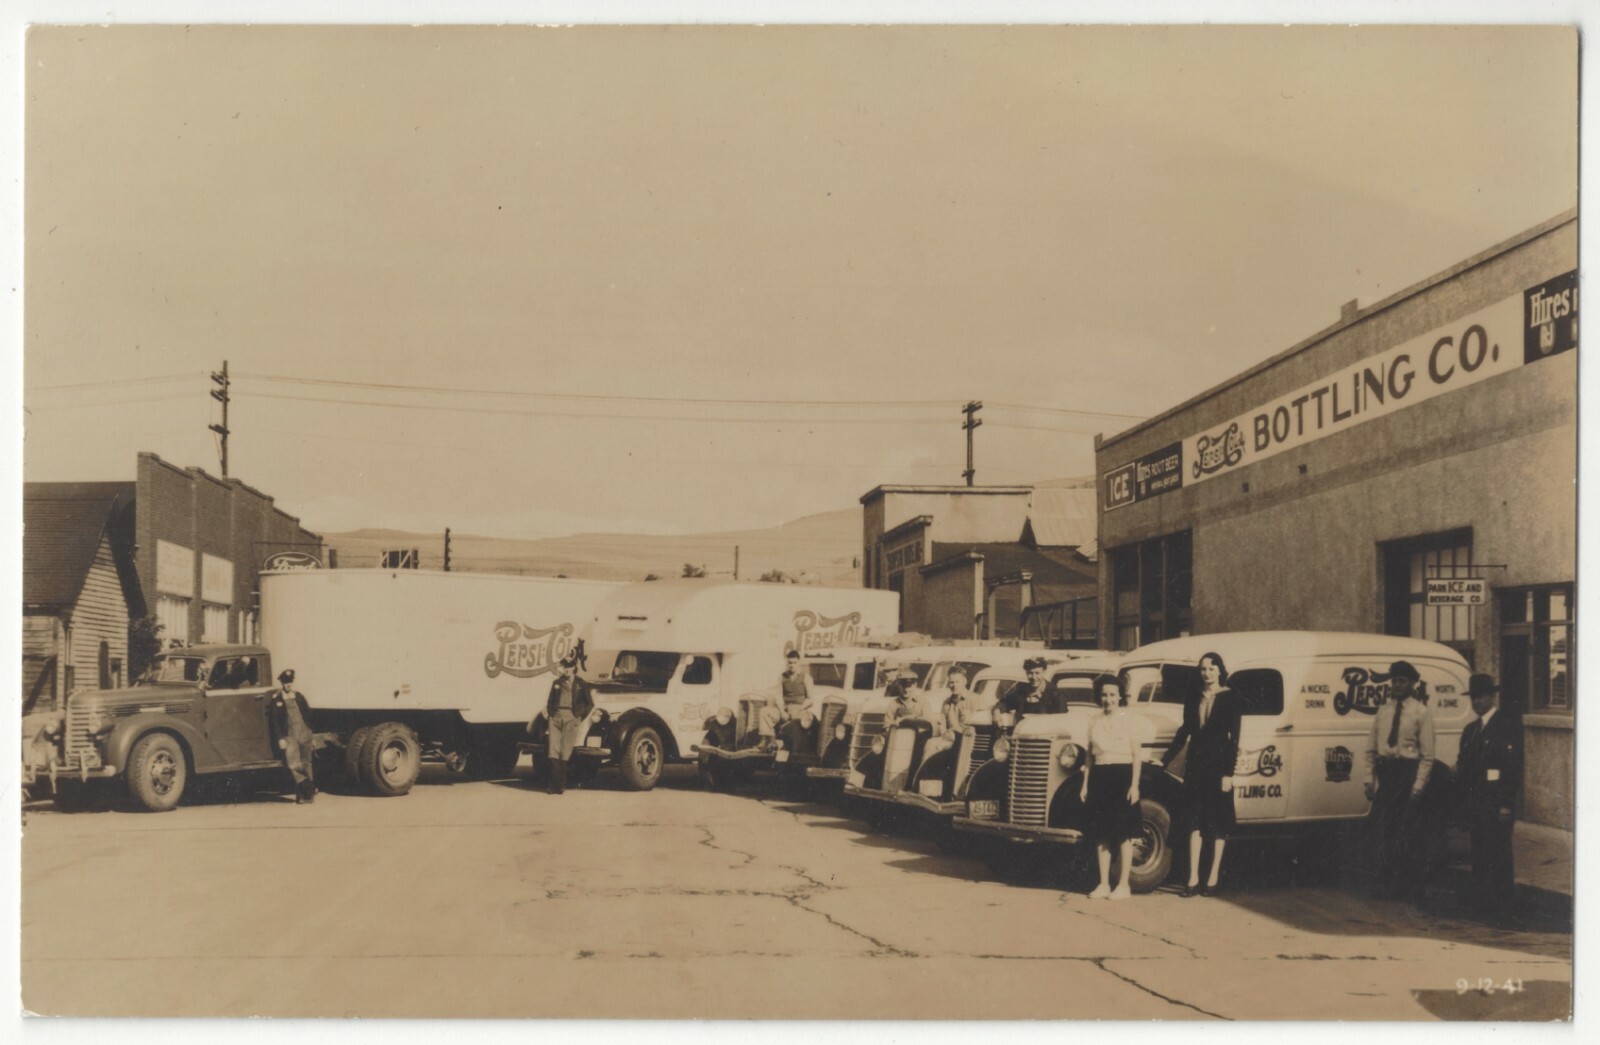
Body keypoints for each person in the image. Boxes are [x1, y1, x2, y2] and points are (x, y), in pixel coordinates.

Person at [1161, 652, 1242, 897]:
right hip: (1196, 765)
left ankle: (1213, 877)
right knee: (1193, 821)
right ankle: (1193, 878)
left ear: (1219, 670)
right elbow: (1185, 729)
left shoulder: (1230, 698)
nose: (1206, 673)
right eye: (1203, 669)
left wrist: (1229, 773)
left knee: (1217, 822)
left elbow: (1233, 739)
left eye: (1211, 668)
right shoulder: (1194, 696)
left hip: (1218, 767)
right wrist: (1165, 758)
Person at [1362, 660, 1437, 898]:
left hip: (1408, 775)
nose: (1396, 685)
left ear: (1413, 684)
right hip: (1387, 775)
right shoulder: (1383, 712)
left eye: (1402, 681)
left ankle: (1405, 885)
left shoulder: (1421, 713)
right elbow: (1371, 749)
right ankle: (1383, 882)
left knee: (1405, 833)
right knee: (1382, 829)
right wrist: (1368, 779)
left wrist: (1418, 787)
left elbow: (1428, 755)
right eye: (1394, 680)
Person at [1455, 672, 1523, 923]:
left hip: (1496, 803)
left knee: (1499, 855)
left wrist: (1506, 804)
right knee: (1480, 854)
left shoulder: (1507, 725)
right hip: (1476, 804)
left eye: (1481, 697)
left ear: (1493, 697)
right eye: (1473, 697)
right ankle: (1483, 905)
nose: (1477, 702)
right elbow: (1464, 767)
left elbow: (1512, 768)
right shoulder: (1471, 730)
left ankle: (1503, 907)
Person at [1081, 674, 1143, 900]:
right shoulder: (1094, 720)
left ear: (1120, 696)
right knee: (1101, 834)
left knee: (1123, 834)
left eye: (1112, 695)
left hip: (1122, 776)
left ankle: (1124, 885)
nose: (1108, 699)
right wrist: (1085, 784)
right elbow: (1089, 756)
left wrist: (1134, 786)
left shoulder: (1129, 719)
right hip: (1100, 776)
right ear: (1099, 696)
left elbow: (1137, 755)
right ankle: (1104, 884)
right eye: (1104, 695)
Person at [535, 652, 593, 795]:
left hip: (571, 718)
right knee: (553, 749)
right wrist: (551, 713)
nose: (567, 669)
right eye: (565, 666)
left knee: (565, 751)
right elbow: (550, 701)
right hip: (556, 718)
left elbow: (589, 704)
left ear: (574, 667)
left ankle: (561, 785)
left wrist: (578, 716)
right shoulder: (556, 683)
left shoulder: (581, 683)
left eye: (570, 666)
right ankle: (553, 785)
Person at [267, 669, 316, 804]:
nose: (288, 685)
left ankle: (305, 797)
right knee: (293, 765)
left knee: (307, 764)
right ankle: (309, 789)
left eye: (290, 682)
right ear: (282, 683)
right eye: (285, 682)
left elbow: (308, 713)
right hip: (289, 736)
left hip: (304, 733)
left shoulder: (299, 696)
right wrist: (280, 738)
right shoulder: (277, 700)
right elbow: (274, 721)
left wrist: (310, 731)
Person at [759, 649, 813, 749]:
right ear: (787, 662)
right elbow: (778, 696)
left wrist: (800, 708)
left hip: (799, 709)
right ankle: (769, 741)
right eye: (789, 662)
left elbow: (810, 699)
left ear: (799, 662)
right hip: (784, 708)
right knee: (764, 711)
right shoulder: (782, 677)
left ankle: (793, 747)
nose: (792, 665)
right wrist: (782, 711)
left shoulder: (806, 677)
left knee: (797, 722)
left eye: (794, 662)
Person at [924, 668, 980, 759]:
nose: (954, 685)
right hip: (951, 741)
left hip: (967, 742)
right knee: (930, 744)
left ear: (964, 682)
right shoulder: (946, 703)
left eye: (957, 682)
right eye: (951, 682)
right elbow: (942, 726)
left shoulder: (975, 699)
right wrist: (945, 735)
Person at [995, 657, 1057, 725]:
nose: (1033, 677)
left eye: (1037, 673)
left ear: (1044, 672)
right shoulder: (1021, 690)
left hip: (1045, 733)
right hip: (1021, 732)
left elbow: (1059, 720)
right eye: (1030, 673)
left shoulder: (1055, 693)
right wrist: (996, 711)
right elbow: (1004, 703)